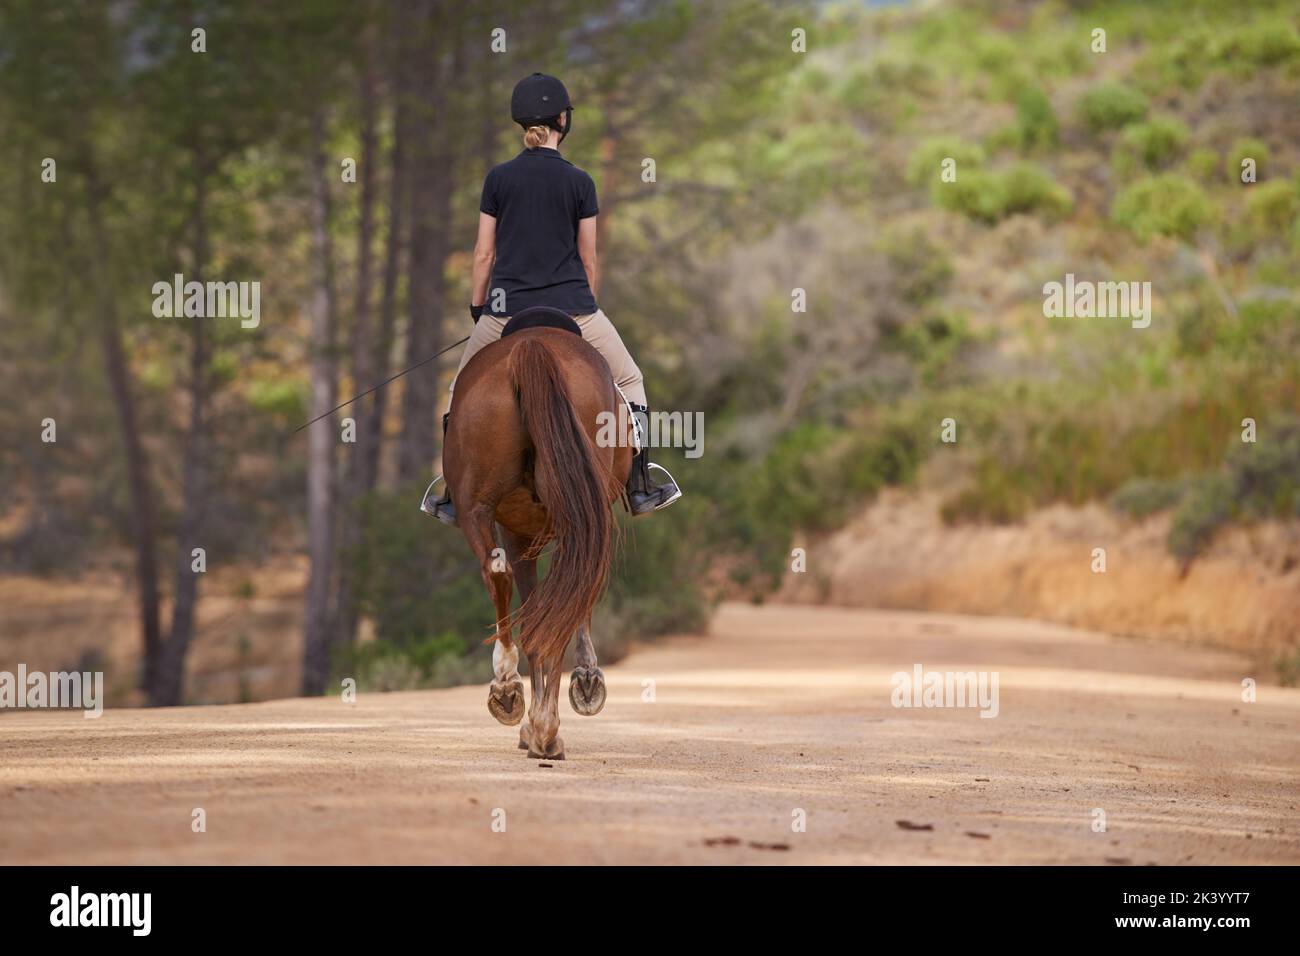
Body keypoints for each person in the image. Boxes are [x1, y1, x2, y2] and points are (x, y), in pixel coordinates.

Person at [430, 72, 681, 526]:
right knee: (630, 382)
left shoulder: (498, 179)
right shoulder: (580, 181)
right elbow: (588, 258)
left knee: (458, 391)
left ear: (521, 123)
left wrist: (478, 307)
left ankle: (450, 492)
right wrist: (587, 304)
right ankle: (641, 483)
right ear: (563, 120)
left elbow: (484, 253)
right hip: (575, 311)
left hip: (504, 313)